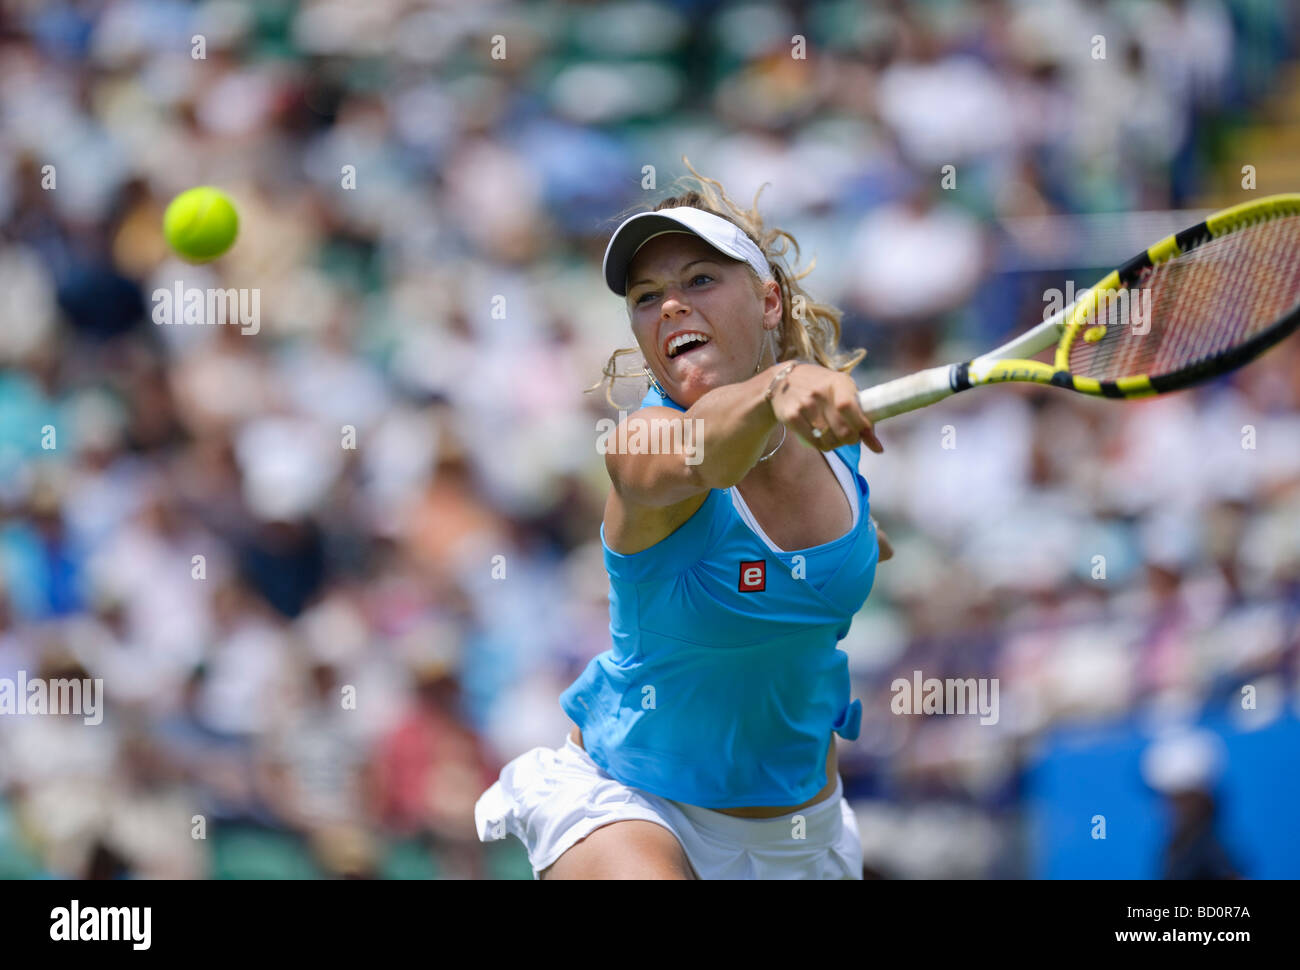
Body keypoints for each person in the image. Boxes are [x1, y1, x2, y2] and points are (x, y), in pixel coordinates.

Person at [475, 166, 892, 879]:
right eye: (646, 297)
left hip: (803, 833)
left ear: (769, 303)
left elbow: (843, 560)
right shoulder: (643, 445)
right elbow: (705, 454)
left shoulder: (834, 443)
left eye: (700, 280)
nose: (670, 306)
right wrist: (780, 385)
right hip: (633, 803)